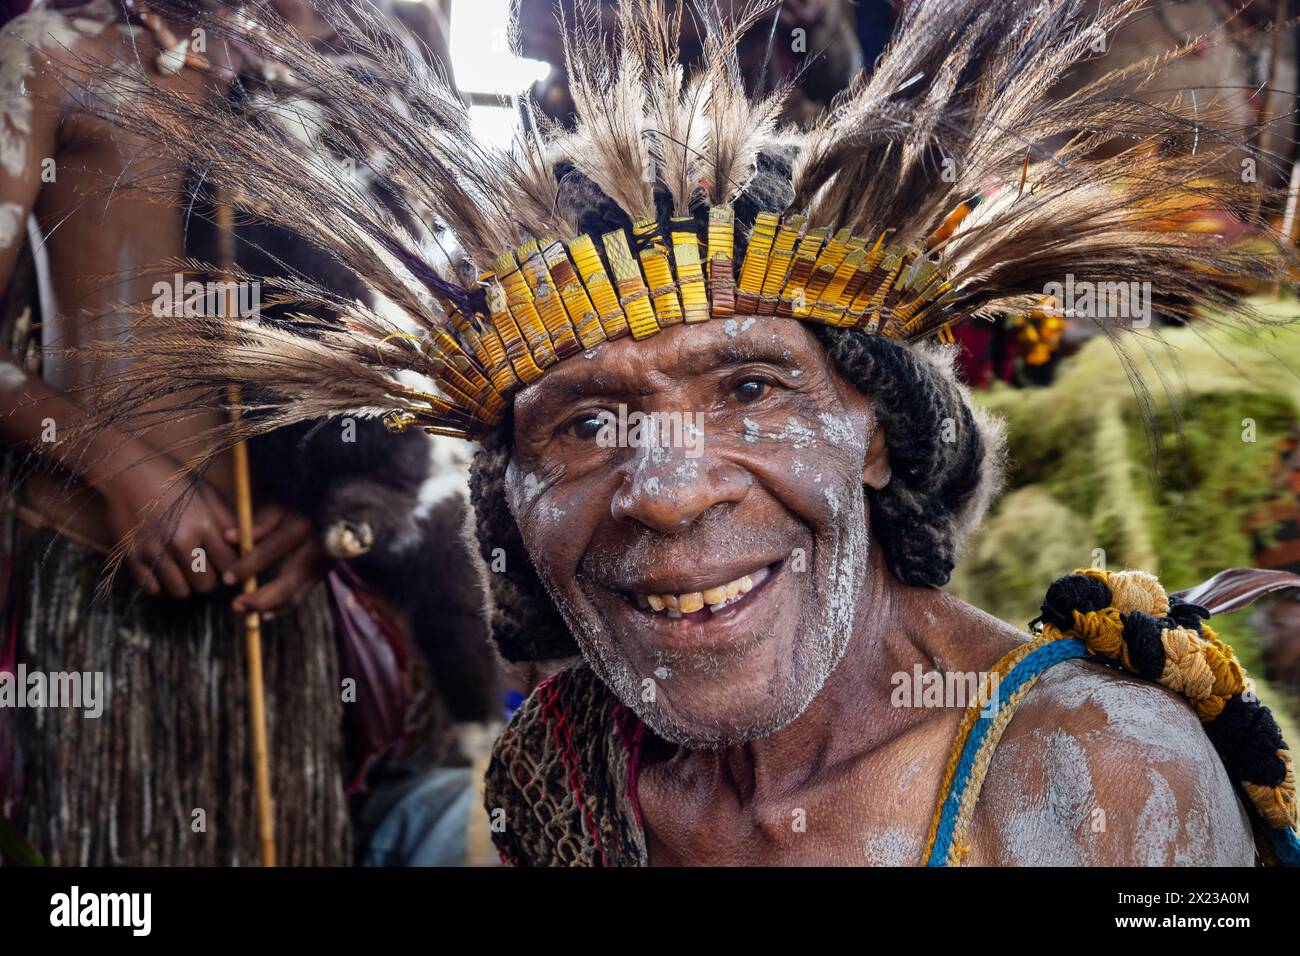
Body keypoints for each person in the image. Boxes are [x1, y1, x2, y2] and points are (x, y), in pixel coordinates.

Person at [68, 0, 1300, 866]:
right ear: (506, 501)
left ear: (874, 429)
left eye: (751, 388)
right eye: (583, 421)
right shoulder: (558, 775)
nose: (664, 491)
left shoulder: (1088, 772)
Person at [0, 0, 354, 865]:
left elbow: (385, 339)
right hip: (95, 577)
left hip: (278, 593)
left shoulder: (327, 62)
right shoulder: (52, 51)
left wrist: (330, 511)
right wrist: (119, 466)